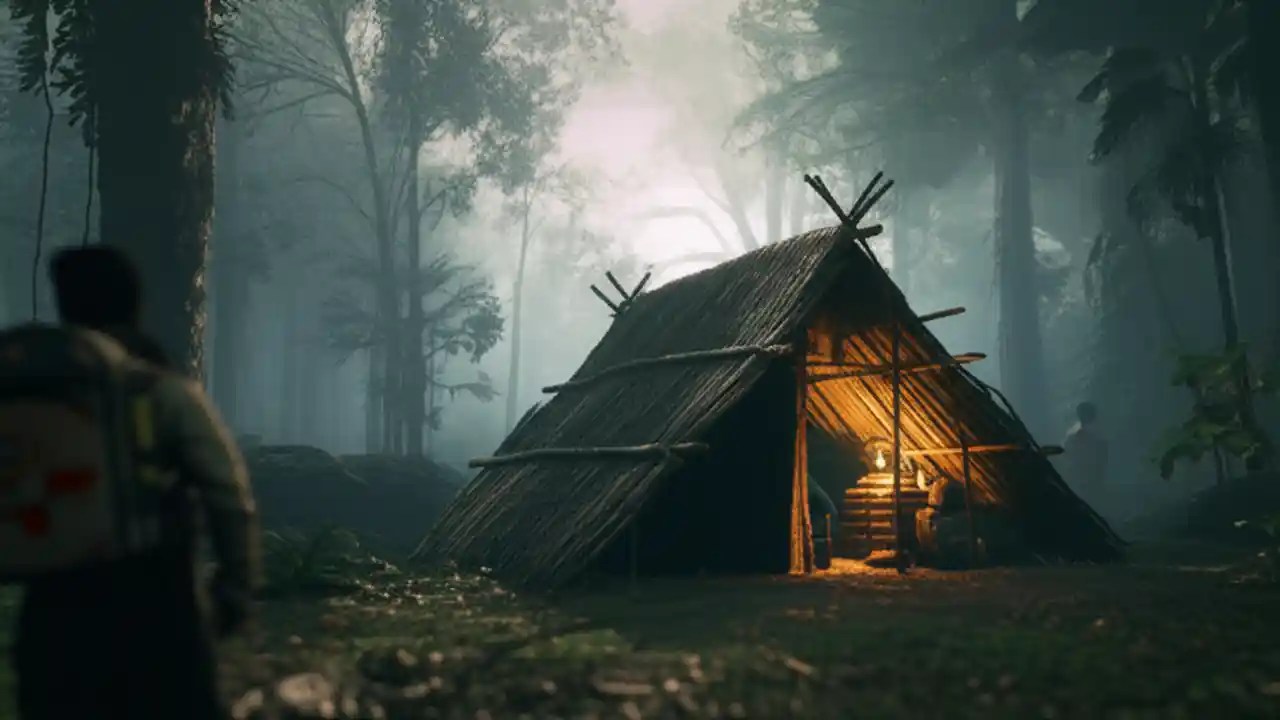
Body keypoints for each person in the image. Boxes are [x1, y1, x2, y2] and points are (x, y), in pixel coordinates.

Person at [12, 246, 260, 720]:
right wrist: (234, 591)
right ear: (134, 304)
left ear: (66, 307)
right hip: (155, 603)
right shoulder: (161, 392)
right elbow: (228, 495)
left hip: (51, 611)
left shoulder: (28, 402)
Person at [1062, 401, 1108, 505]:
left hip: (1092, 478)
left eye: (1085, 413)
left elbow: (1102, 458)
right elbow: (1066, 453)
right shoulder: (1073, 432)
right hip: (1075, 478)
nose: (1082, 416)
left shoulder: (1098, 434)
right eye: (1081, 413)